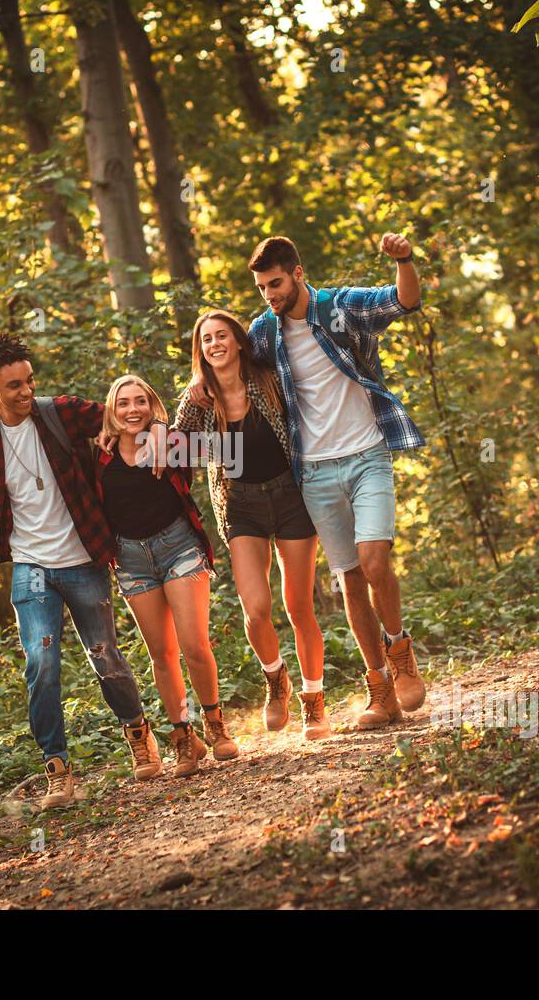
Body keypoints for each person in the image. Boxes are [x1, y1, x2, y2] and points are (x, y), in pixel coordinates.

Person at [189, 233, 428, 729]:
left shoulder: (340, 307)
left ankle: (401, 651)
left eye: (274, 283)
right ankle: (378, 689)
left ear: (298, 273)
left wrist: (404, 260)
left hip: (366, 455)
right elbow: (224, 355)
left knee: (374, 558)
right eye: (260, 288)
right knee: (349, 582)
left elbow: (404, 301)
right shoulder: (264, 332)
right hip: (313, 471)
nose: (269, 295)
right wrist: (200, 383)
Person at [0, 332, 163, 810]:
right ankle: (58, 769)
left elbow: (123, 414)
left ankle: (138, 734)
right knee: (42, 664)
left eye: (29, 380)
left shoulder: (61, 413)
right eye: (14, 385)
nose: (26, 391)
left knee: (105, 656)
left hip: (82, 558)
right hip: (31, 568)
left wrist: (155, 428)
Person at [171, 310, 330, 740]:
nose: (214, 344)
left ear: (239, 341)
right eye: (206, 340)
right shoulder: (200, 399)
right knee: (256, 610)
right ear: (199, 351)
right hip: (241, 505)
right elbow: (172, 449)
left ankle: (314, 703)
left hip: (291, 496)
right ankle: (276, 678)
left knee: (298, 607)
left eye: (222, 336)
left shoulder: (268, 378)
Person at [96, 374, 240, 777]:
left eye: (140, 401)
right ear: (112, 410)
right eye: (123, 403)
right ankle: (183, 738)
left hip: (179, 547)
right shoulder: (99, 455)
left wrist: (167, 431)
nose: (132, 410)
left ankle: (215, 725)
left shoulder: (171, 443)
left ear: (152, 405)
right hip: (131, 560)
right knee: (162, 654)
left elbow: (235, 453)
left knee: (194, 644)